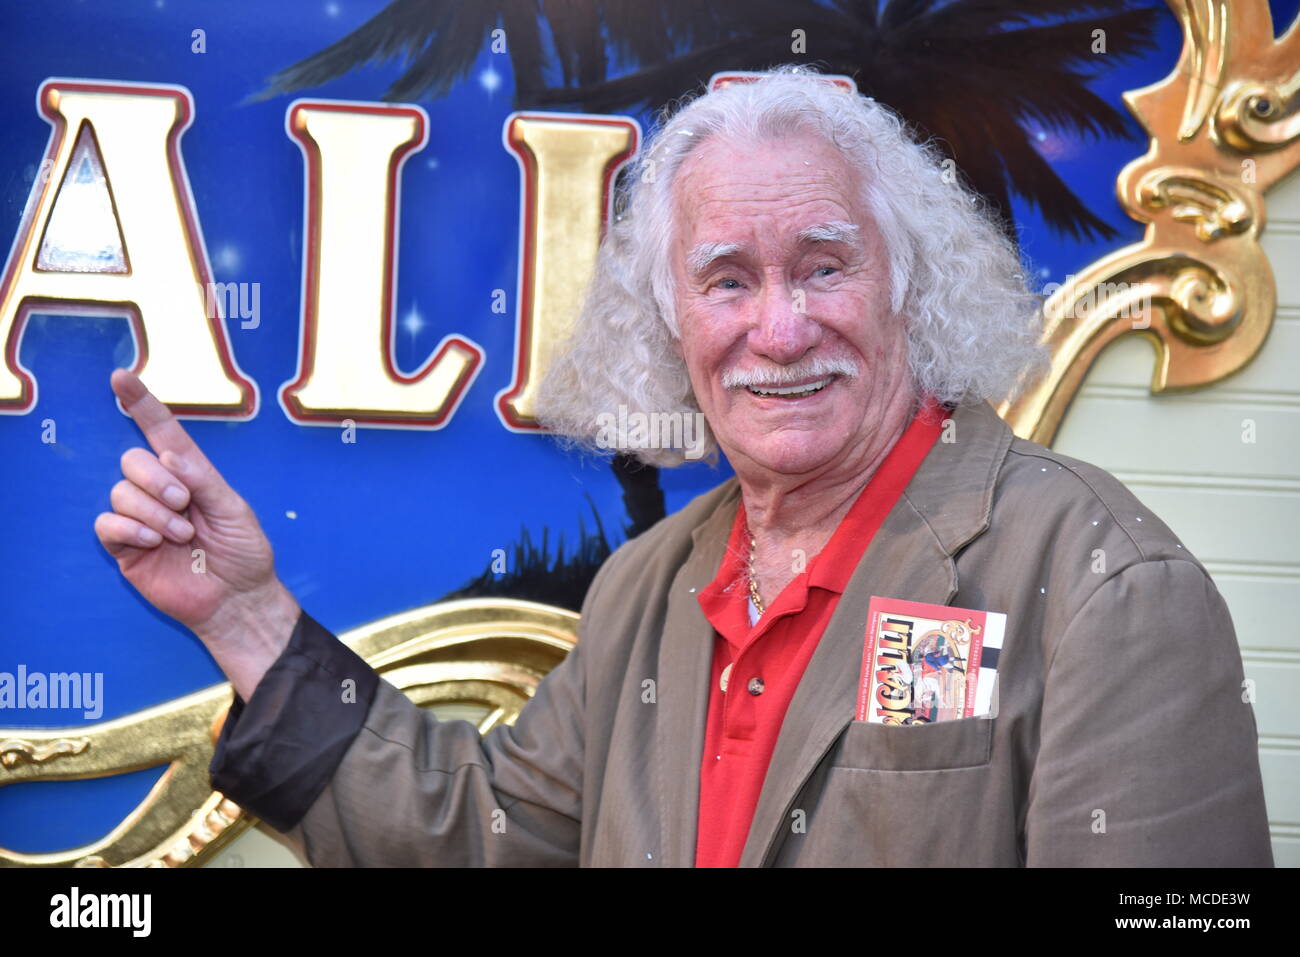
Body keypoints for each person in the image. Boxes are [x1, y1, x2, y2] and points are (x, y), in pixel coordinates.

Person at [96, 66, 1273, 866]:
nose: (778, 330)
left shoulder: (1110, 591)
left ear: (911, 289)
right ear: (671, 325)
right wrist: (247, 618)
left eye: (823, 266)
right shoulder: (651, 587)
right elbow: (490, 838)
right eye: (726, 281)